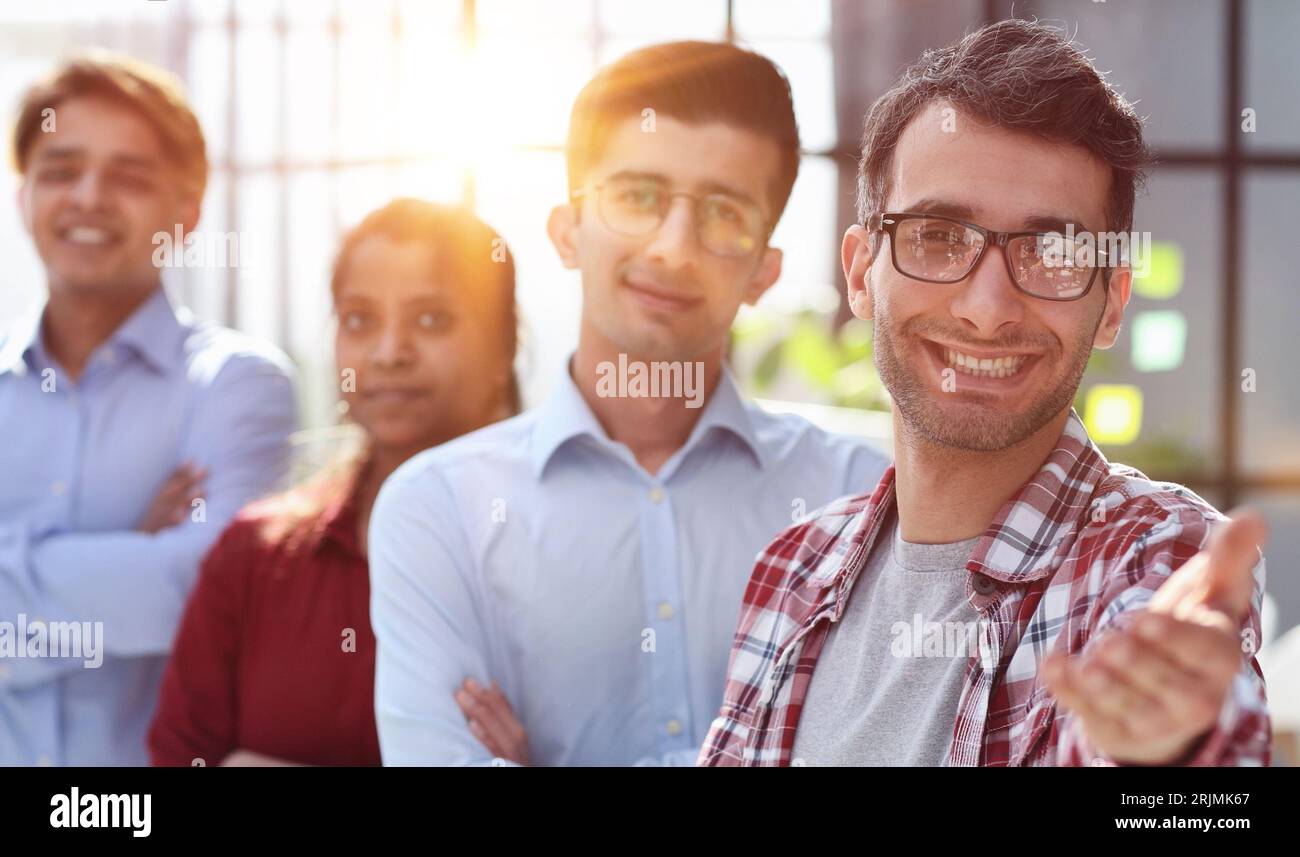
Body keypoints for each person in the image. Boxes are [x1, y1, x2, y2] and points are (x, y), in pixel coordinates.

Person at [699, 19, 1270, 767]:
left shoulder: (1154, 555)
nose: (988, 309)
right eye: (939, 237)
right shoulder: (789, 570)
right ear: (862, 272)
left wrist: (1165, 752)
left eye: (1053, 252)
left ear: (1112, 303)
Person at [368, 40, 891, 766]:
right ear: (567, 232)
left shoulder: (862, 497)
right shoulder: (436, 508)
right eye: (639, 197)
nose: (673, 248)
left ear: (762, 273)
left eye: (724, 212)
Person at [0, 53, 297, 766]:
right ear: (24, 197)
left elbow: (204, 588)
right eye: (61, 171)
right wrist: (133, 549)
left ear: (186, 214)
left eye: (129, 178)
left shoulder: (237, 384)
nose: (90, 198)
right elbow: (166, 581)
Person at [148, 200, 520, 766]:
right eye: (359, 320)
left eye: (431, 320)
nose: (390, 353)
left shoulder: (559, 557)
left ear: (503, 348)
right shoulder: (253, 558)